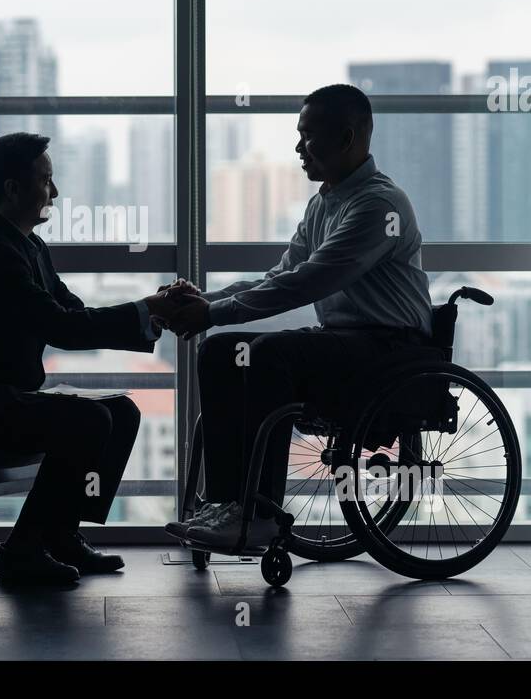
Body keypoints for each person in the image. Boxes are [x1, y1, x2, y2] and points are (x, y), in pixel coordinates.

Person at [161, 84, 433, 549]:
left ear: (346, 139)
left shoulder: (377, 206)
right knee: (220, 351)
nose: (298, 147)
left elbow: (308, 282)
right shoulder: (324, 202)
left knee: (269, 356)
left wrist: (212, 311)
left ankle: (259, 512)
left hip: (390, 349)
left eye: (307, 135)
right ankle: (229, 503)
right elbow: (281, 275)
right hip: (347, 343)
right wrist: (208, 304)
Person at [0, 132, 199, 584]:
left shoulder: (25, 244)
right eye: (46, 181)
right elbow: (63, 328)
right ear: (13, 189)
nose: (55, 192)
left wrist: (152, 306)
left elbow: (71, 310)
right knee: (90, 421)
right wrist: (150, 309)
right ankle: (22, 549)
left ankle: (59, 533)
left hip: (0, 395)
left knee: (122, 412)